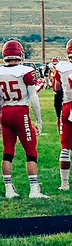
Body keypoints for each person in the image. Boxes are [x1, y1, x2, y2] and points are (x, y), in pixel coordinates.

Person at [0, 39, 43, 198]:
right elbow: (33, 97)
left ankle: (9, 190)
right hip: (20, 112)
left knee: (8, 152)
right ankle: (34, 190)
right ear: (20, 53)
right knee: (31, 150)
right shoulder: (25, 71)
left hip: (5, 112)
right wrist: (39, 119)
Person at [53, 39, 72, 191]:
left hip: (68, 106)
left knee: (65, 147)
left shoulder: (61, 67)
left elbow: (57, 88)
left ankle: (64, 184)